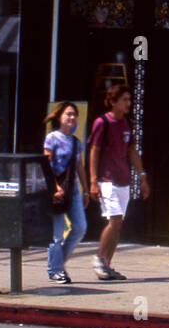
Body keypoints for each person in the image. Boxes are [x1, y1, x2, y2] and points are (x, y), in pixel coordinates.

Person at [88, 84, 150, 280]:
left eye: (130, 100)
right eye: (124, 100)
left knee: (118, 223)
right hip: (107, 181)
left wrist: (142, 177)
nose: (128, 103)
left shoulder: (128, 124)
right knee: (114, 220)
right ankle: (99, 258)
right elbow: (94, 152)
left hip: (124, 181)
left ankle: (107, 266)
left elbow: (132, 151)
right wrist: (93, 180)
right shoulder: (102, 123)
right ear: (113, 102)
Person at [43, 102, 88, 284]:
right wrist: (54, 188)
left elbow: (80, 166)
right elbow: (46, 165)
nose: (72, 118)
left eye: (74, 115)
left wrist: (85, 190)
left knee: (79, 227)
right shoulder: (52, 138)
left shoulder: (76, 142)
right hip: (57, 191)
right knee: (57, 233)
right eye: (68, 114)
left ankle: (58, 264)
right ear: (60, 116)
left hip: (73, 190)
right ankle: (55, 270)